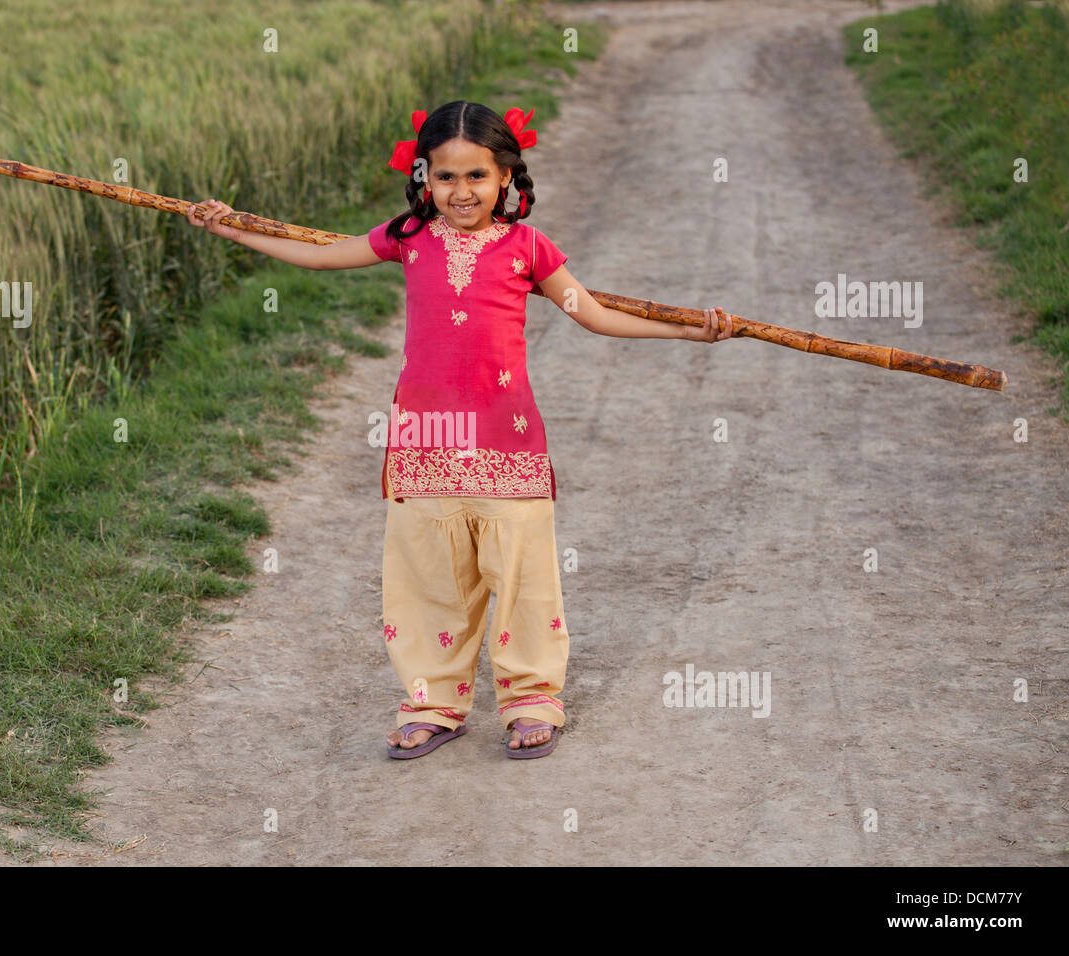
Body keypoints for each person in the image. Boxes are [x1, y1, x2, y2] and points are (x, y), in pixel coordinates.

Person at [188, 100, 732, 760]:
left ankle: (532, 697)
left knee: (523, 573)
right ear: (423, 178)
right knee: (427, 576)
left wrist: (691, 329)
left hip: (509, 440)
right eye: (444, 178)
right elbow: (321, 255)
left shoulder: (529, 250)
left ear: (506, 177)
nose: (461, 192)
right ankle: (433, 701)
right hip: (425, 443)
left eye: (477, 176)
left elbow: (593, 316)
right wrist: (233, 231)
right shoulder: (407, 238)